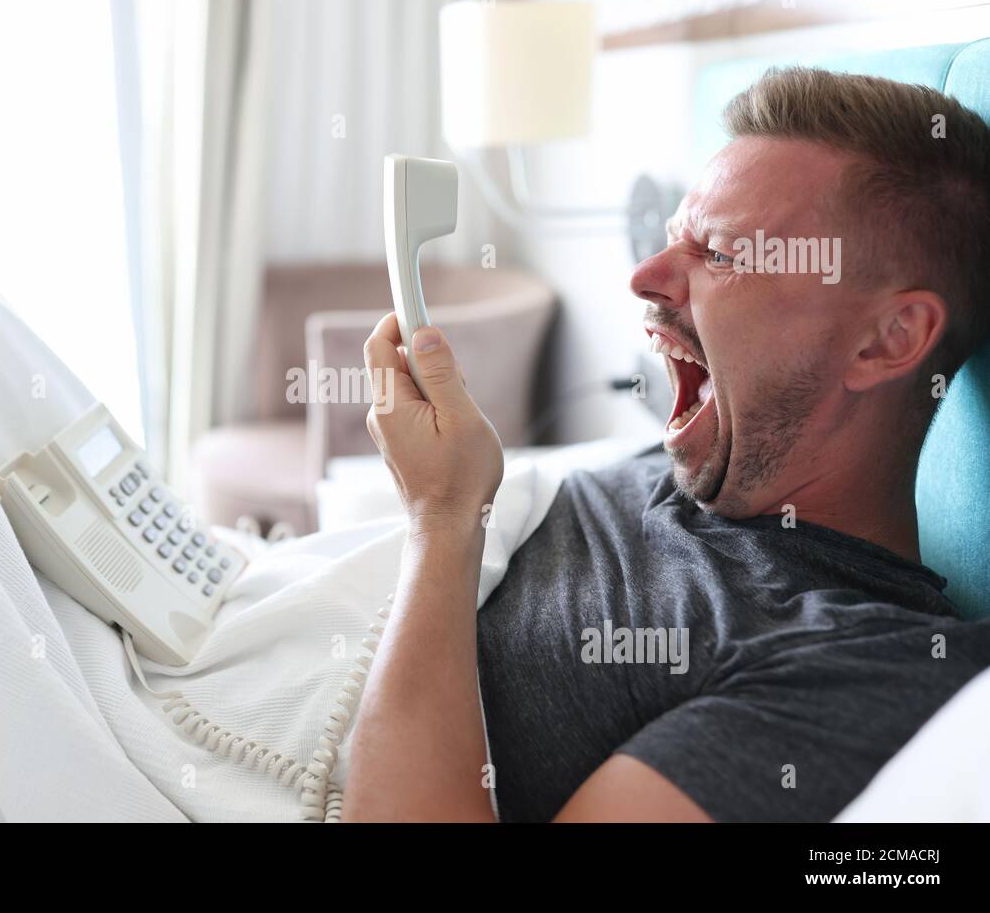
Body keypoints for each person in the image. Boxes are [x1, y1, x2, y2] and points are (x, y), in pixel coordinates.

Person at [342, 67, 990, 822]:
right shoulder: (694, 462)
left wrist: (444, 514)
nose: (644, 276)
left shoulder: (861, 666)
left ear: (889, 340)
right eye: (675, 237)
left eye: (718, 253)